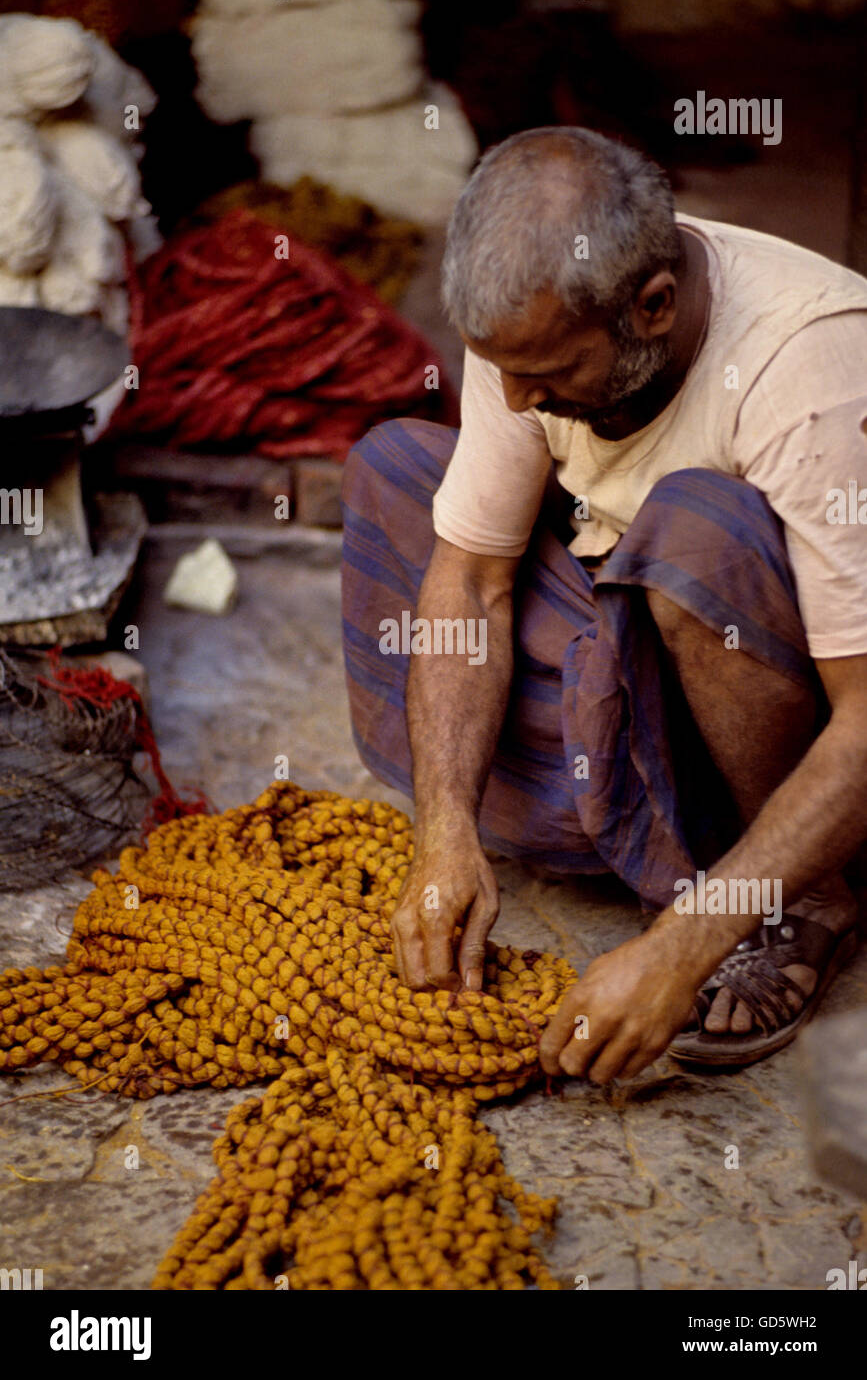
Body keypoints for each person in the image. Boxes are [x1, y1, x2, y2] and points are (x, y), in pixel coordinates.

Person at [341, 126, 867, 1083]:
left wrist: (685, 946)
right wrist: (447, 832)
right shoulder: (536, 333)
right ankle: (638, 816)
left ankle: (812, 894)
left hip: (786, 699)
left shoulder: (811, 368)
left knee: (696, 526)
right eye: (498, 366)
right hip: (633, 632)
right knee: (398, 473)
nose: (513, 396)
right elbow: (472, 582)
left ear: (653, 306)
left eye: (545, 373)